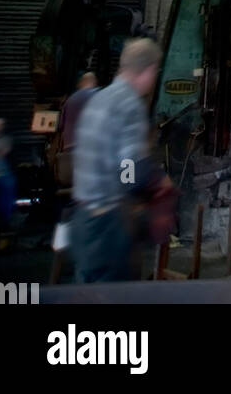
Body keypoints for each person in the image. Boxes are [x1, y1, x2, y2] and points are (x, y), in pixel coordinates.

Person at [71, 38, 171, 282]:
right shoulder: (129, 104)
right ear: (148, 71)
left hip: (83, 218)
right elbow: (129, 171)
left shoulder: (98, 99)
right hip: (108, 224)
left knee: (86, 292)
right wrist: (158, 182)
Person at [60, 71, 99, 150]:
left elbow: (61, 125)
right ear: (94, 82)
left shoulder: (69, 99)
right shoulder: (96, 96)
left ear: (81, 82)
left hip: (68, 146)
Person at [0, 120, 15, 233]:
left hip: (4, 176)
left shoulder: (6, 140)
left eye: (0, 126)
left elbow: (4, 151)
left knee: (5, 205)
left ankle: (4, 225)